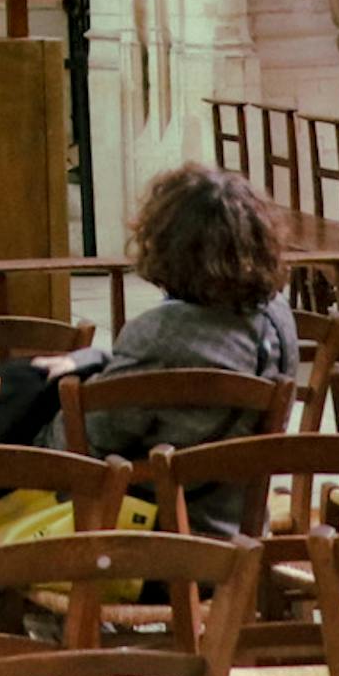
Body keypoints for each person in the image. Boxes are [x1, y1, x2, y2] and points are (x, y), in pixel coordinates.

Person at [61, 163, 301, 464]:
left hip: (154, 503)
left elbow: (90, 438)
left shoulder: (160, 334)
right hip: (239, 501)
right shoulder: (278, 314)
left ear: (168, 246)